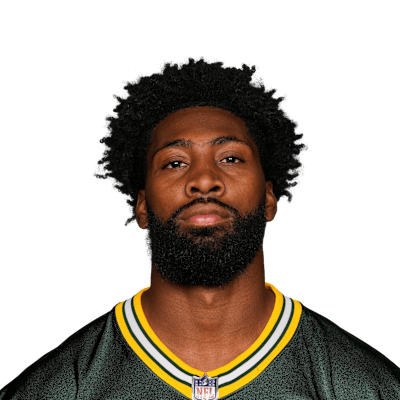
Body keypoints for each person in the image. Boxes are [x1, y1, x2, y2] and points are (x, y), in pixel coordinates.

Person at [1, 56, 399, 400]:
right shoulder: (59, 387)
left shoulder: (363, 385)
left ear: (269, 198)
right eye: (175, 162)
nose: (204, 180)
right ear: (141, 205)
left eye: (230, 158)